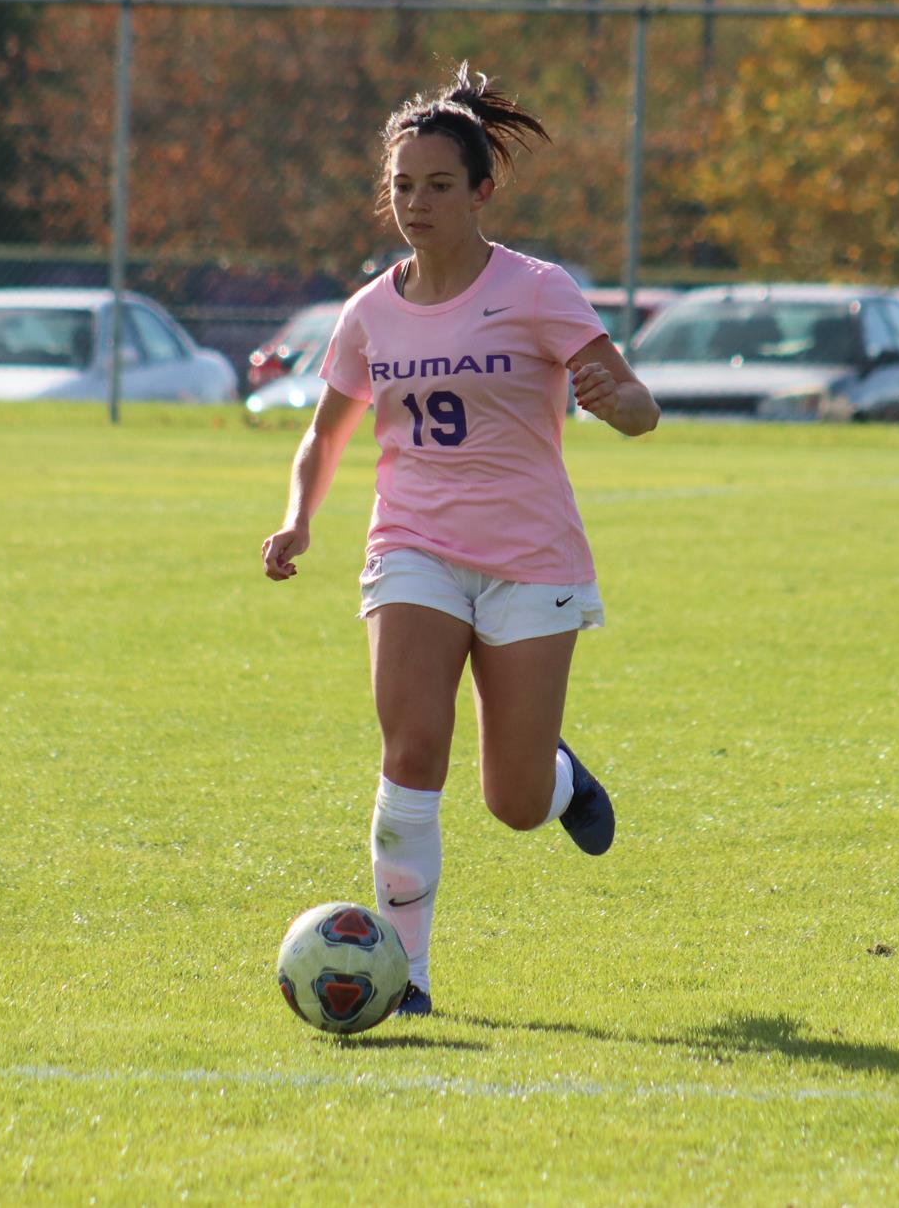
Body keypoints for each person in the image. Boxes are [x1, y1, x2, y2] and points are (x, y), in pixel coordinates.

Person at [260, 63, 660, 1018]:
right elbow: (327, 431)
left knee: (512, 800)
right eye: (402, 186)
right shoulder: (370, 311)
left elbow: (639, 404)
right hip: (412, 548)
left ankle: (558, 778)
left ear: (482, 191)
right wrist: (299, 516)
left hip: (532, 558)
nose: (417, 204)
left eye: (439, 186)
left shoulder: (536, 289)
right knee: (411, 749)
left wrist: (620, 403)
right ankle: (410, 977)